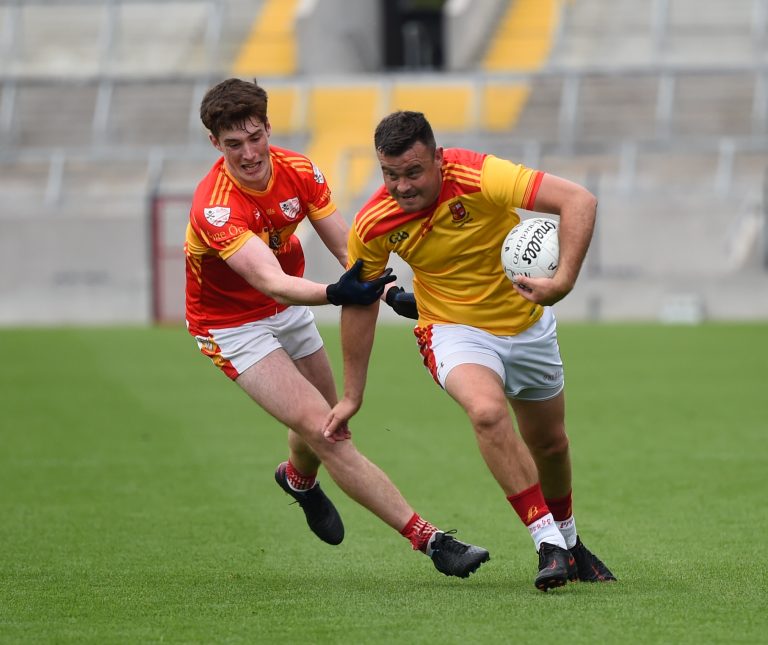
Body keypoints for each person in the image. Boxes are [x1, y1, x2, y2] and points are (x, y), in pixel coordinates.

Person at [183, 79, 489, 578]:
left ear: (268, 127)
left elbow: (350, 249)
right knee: (329, 433)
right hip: (231, 326)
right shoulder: (214, 206)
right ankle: (432, 541)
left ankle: (298, 479)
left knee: (327, 420)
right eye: (234, 144)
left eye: (255, 137)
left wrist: (388, 291)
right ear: (215, 143)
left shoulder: (300, 170)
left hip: (287, 310)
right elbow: (271, 280)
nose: (249, 153)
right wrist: (335, 293)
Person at [324, 110, 616, 591]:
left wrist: (562, 282)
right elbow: (360, 300)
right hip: (453, 330)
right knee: (486, 412)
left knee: (551, 444)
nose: (402, 186)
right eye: (390, 174)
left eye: (413, 172)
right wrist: (352, 394)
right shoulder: (374, 222)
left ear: (438, 159)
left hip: (528, 323)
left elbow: (578, 200)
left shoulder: (479, 175)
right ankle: (547, 541)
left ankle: (570, 542)